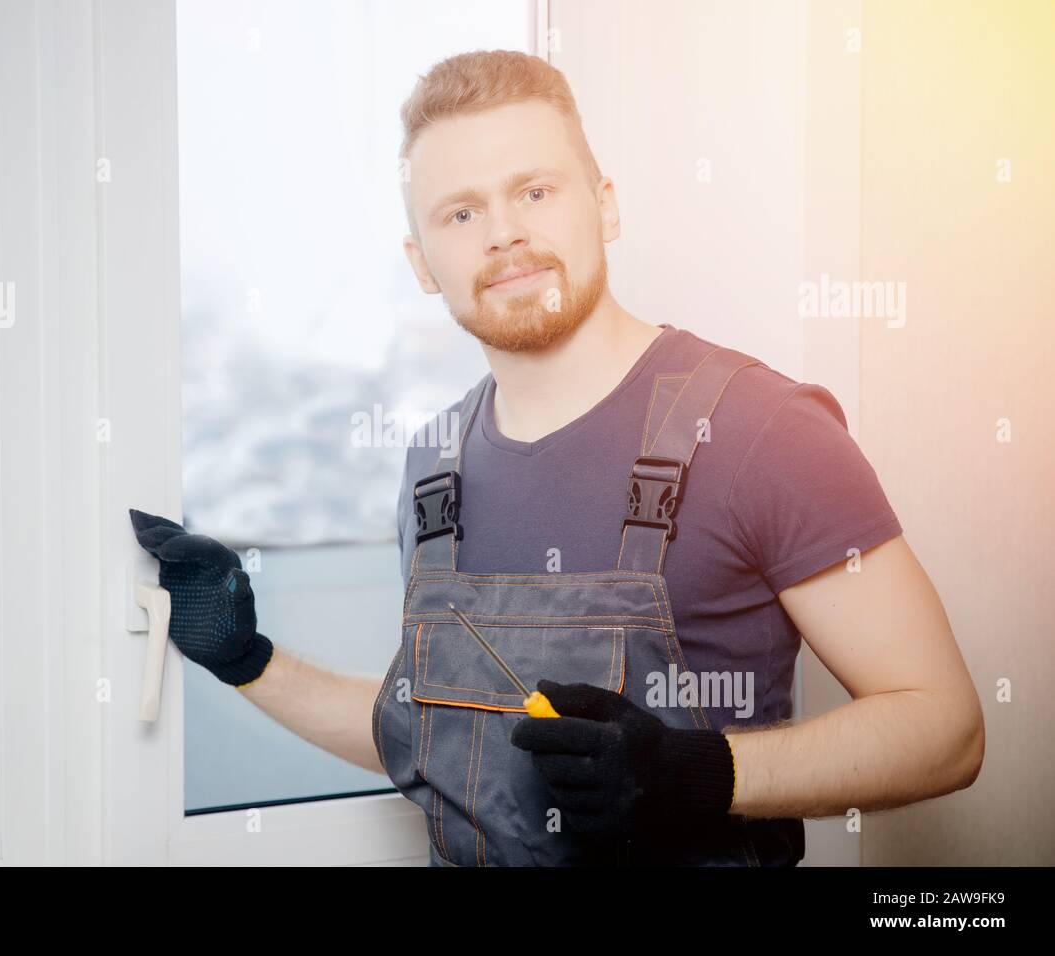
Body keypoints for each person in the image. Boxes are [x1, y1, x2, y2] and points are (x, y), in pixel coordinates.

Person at [132, 50, 983, 867]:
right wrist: (247, 659)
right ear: (422, 263)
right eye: (460, 214)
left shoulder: (763, 429)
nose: (504, 235)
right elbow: (438, 733)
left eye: (534, 191)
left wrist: (699, 774)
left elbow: (944, 728)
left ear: (604, 205)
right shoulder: (435, 467)